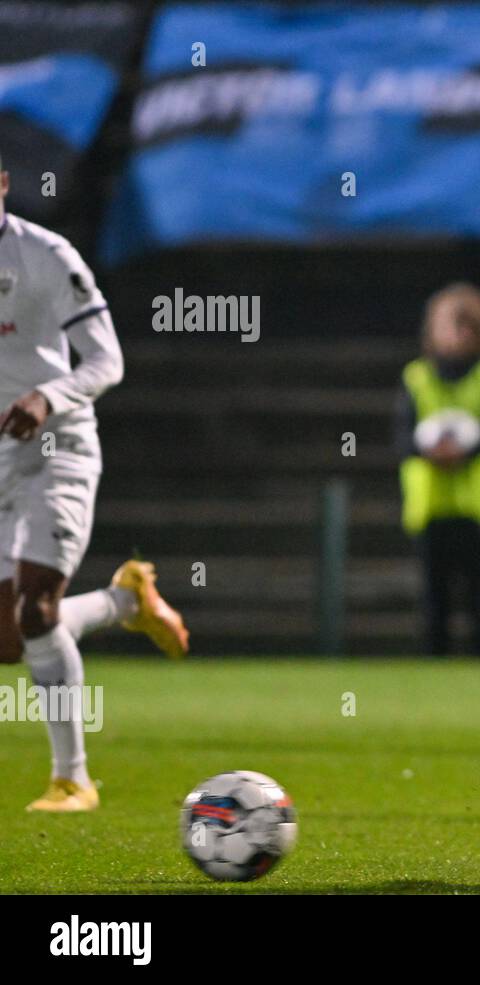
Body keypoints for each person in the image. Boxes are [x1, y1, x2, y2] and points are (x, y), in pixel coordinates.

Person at [0, 150, 190, 813]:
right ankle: (125, 602)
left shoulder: (46, 255)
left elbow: (108, 359)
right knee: (10, 639)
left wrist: (47, 398)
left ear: (2, 184)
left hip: (58, 446)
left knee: (34, 607)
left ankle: (73, 779)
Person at [395, 282, 480, 656]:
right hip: (431, 502)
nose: (457, 335)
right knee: (434, 599)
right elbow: (402, 435)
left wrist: (462, 452)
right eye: (449, 325)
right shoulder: (417, 377)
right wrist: (430, 452)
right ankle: (434, 667)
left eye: (466, 326)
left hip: (478, 504)